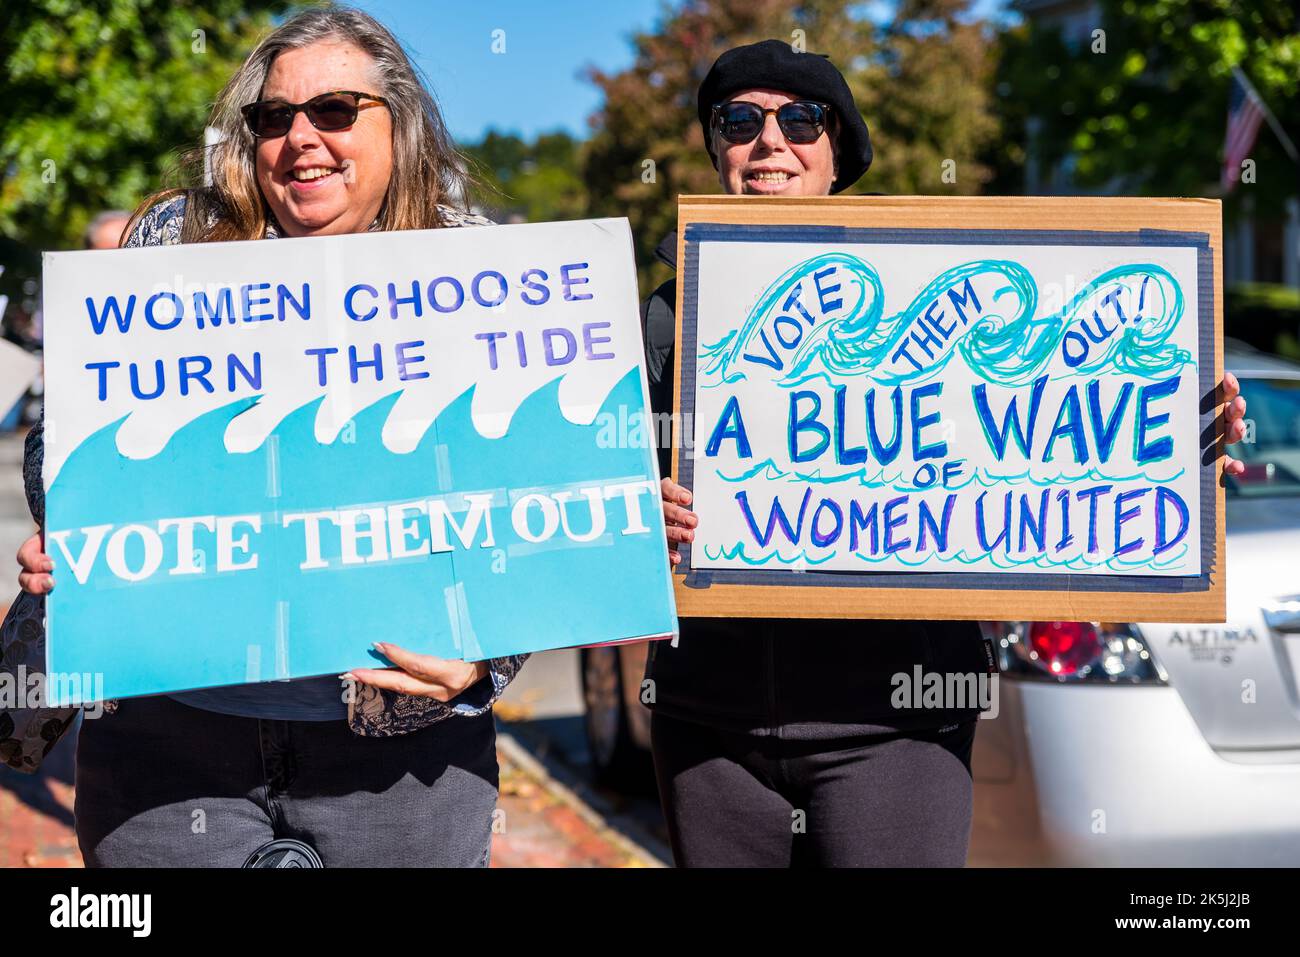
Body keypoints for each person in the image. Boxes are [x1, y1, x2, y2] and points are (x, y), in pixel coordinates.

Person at [642, 39, 1250, 867]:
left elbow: (1074, 408)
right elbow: (595, 500)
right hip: (708, 724)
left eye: (801, 120)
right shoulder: (662, 318)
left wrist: (1181, 435)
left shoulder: (934, 274)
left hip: (897, 727)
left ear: (836, 152)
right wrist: (640, 507)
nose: (769, 140)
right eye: (741, 120)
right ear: (715, 146)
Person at [14, 6, 524, 867]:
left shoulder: (474, 271)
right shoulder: (173, 242)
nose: (301, 138)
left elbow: (536, 495)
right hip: (170, 746)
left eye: (334, 111)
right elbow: (59, 433)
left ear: (398, 127)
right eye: (274, 117)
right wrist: (68, 514)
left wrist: (483, 670)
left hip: (402, 768)